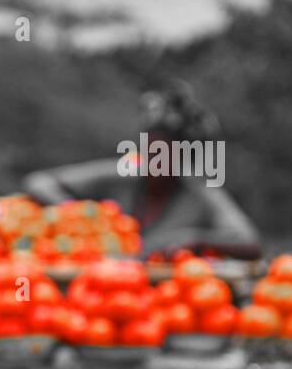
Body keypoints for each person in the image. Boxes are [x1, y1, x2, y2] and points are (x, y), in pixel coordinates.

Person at [24, 82, 260, 258]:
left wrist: (194, 238)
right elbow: (39, 182)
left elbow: (248, 240)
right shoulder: (123, 175)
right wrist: (81, 215)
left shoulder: (199, 194)